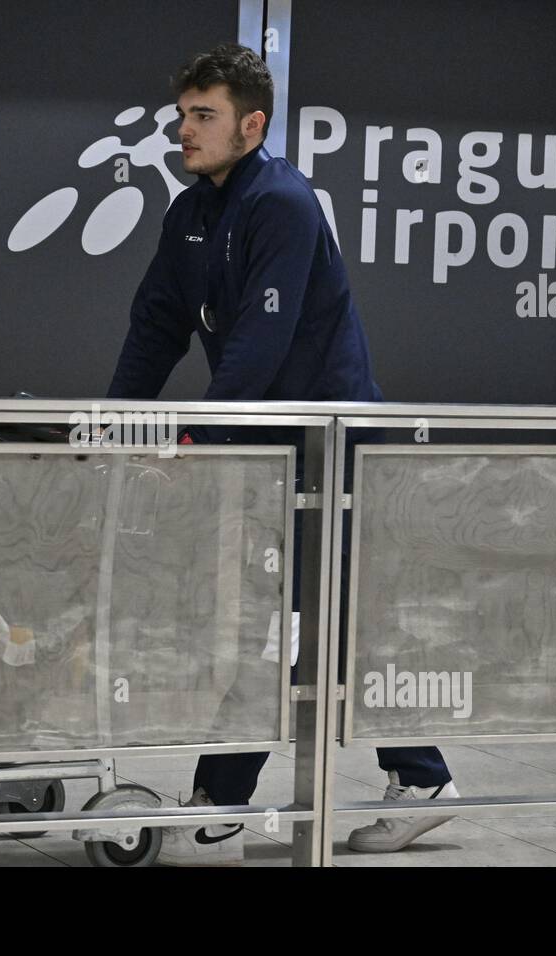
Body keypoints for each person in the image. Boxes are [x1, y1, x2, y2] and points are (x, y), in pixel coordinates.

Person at [105, 44, 459, 866]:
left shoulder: (284, 205)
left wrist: (196, 438)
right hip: (263, 445)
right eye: (182, 115)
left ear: (251, 124)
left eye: (204, 117)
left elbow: (257, 351)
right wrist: (116, 422)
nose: (184, 132)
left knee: (326, 623)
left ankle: (413, 777)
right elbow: (157, 325)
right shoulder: (190, 214)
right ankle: (242, 790)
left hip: (329, 445)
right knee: (279, 623)